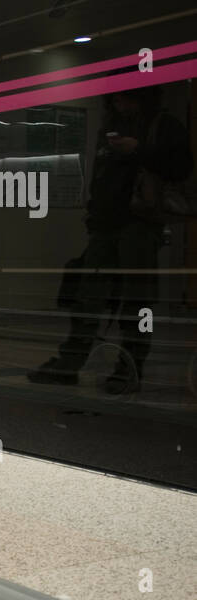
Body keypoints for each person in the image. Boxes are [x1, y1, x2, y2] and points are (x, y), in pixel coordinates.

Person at [28, 87, 192, 394]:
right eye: (116, 99)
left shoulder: (162, 125)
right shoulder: (112, 127)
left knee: (135, 300)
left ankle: (128, 367)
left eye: (125, 98)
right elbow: (101, 177)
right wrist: (94, 214)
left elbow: (182, 167)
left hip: (139, 223)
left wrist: (138, 150)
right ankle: (71, 363)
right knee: (89, 298)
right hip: (106, 225)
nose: (120, 104)